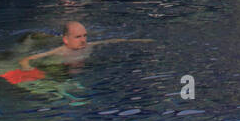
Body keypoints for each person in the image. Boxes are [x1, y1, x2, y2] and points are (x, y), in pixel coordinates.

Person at [16, 22, 144, 71]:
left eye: (85, 36)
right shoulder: (59, 51)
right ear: (66, 40)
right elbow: (26, 59)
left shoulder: (89, 45)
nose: (83, 40)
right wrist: (27, 69)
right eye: (78, 37)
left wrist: (139, 41)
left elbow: (114, 40)